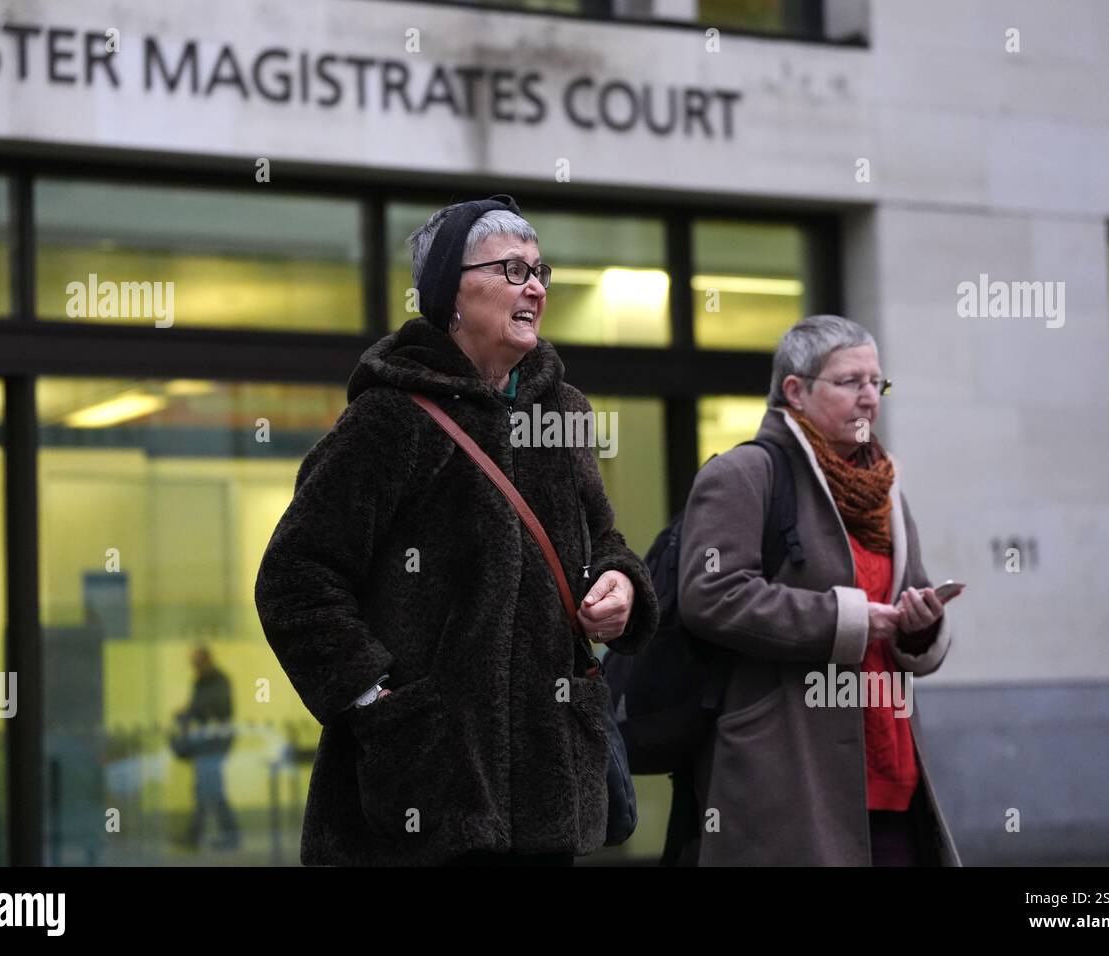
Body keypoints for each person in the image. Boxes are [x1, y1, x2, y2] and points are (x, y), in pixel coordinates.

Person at [254, 194, 658, 866]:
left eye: (539, 271)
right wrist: (376, 698)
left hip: (548, 792)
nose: (533, 286)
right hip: (422, 798)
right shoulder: (390, 419)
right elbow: (295, 577)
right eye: (510, 270)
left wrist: (620, 585)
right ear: (451, 295)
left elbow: (602, 540)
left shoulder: (564, 412)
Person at [677, 314, 962, 866]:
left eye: (875, 382)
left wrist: (920, 621)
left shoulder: (884, 487)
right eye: (849, 382)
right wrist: (850, 620)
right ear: (795, 391)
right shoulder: (744, 474)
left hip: (893, 776)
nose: (868, 399)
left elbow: (911, 590)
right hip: (790, 778)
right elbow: (711, 594)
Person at [173, 645, 239, 851]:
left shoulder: (216, 681)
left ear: (205, 660)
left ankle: (227, 836)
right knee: (205, 789)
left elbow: (211, 708)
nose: (194, 666)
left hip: (214, 742)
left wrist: (187, 714)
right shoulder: (206, 681)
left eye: (196, 661)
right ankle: (200, 835)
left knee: (210, 789)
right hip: (209, 741)